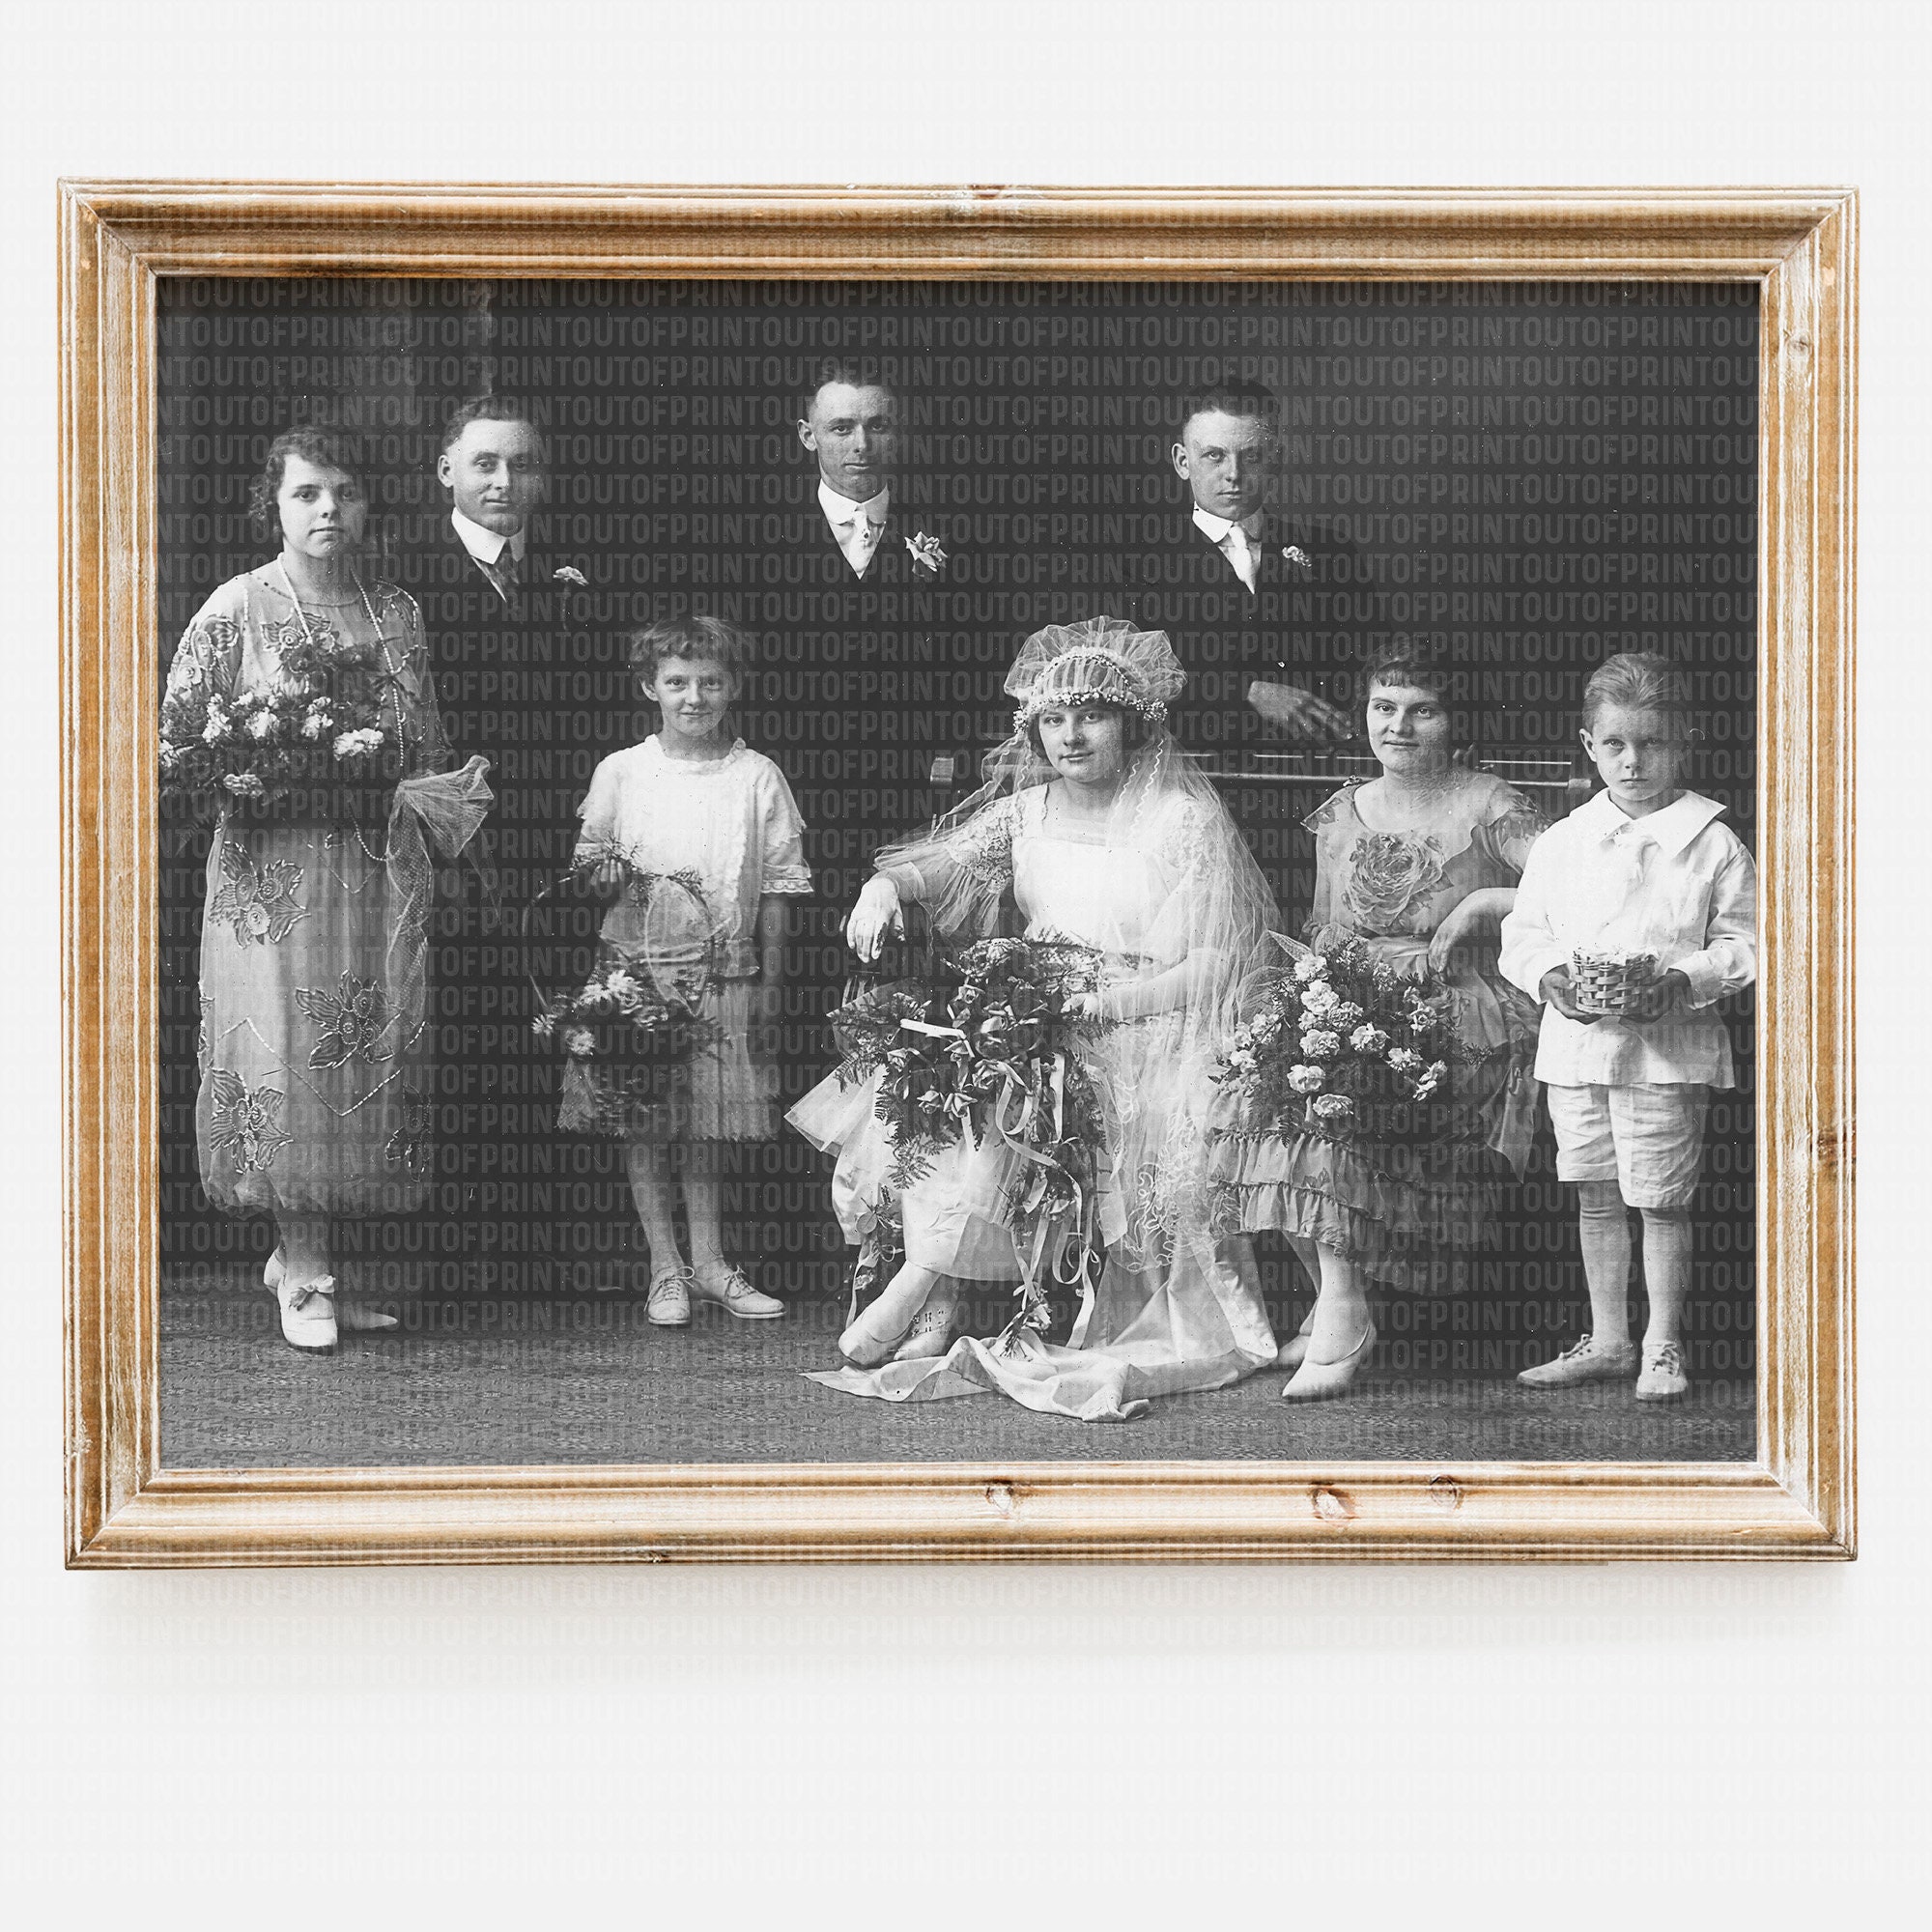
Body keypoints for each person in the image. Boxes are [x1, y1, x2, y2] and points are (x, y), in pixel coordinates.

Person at [788, 616, 1280, 1425]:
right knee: (945, 1072)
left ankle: (922, 1284)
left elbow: (1212, 966)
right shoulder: (1028, 812)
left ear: (1131, 724)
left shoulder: (1180, 819)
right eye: (1052, 720)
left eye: (1090, 717)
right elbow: (941, 862)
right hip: (1036, 1006)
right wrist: (885, 888)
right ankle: (936, 1289)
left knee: (1026, 1087)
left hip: (1142, 1022)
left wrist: (1093, 1005)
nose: (1070, 736)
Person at [159, 427, 487, 1351]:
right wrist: (262, 769)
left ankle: (315, 1256)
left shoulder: (396, 612)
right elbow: (180, 746)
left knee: (361, 1053)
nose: (328, 510)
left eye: (343, 492)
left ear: (370, 503)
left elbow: (424, 749)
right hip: (273, 879)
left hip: (376, 871)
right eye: (307, 493)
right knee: (288, 1054)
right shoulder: (236, 608)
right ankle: (302, 1266)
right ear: (274, 503)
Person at [1208, 637, 1548, 1399]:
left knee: (1349, 1100)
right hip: (1358, 992)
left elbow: (1581, 881)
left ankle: (1341, 1312)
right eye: (1383, 708)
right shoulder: (1345, 811)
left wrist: (1486, 901)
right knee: (1257, 1086)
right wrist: (1303, 1010)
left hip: (1458, 997)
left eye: (1423, 711)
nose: (1399, 726)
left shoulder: (1490, 803)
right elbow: (1327, 929)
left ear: (1454, 722)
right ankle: (1341, 1298)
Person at [395, 396, 625, 1292]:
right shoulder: (405, 578)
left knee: (559, 1028)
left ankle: (545, 1246)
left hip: (555, 841)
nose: (504, 481)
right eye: (485, 463)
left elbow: (605, 712)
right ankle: (456, 1249)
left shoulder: (573, 574)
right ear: (446, 470)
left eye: (521, 465)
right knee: (460, 1031)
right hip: (449, 845)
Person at [1499, 653, 1756, 1401]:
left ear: (1685, 742)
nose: (1634, 761)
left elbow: (1745, 943)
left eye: (1653, 743)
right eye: (1616, 745)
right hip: (1578, 1047)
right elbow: (1526, 931)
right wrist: (1548, 977)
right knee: (1595, 1191)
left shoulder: (1713, 843)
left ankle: (1663, 1342)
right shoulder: (1563, 840)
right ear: (1589, 746)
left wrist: (1684, 980)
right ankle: (1609, 1336)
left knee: (1662, 1195)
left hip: (1667, 1050)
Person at [562, 616, 813, 1326]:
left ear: (733, 687)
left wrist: (769, 984)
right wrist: (601, 871)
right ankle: (663, 1266)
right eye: (677, 683)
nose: (694, 697)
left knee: (708, 1124)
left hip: (724, 975)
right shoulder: (622, 770)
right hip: (635, 977)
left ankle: (710, 1263)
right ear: (651, 688)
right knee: (645, 1121)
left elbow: (779, 887)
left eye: (709, 682)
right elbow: (589, 870)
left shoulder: (757, 775)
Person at [1111, 379, 1363, 763]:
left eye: (1252, 456)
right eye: (1214, 455)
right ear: (1182, 462)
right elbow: (1123, 684)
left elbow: (1371, 667)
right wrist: (1247, 691)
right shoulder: (1138, 563)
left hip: (1319, 768)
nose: (1234, 474)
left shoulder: (1331, 551)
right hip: (1187, 773)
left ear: (1276, 459)